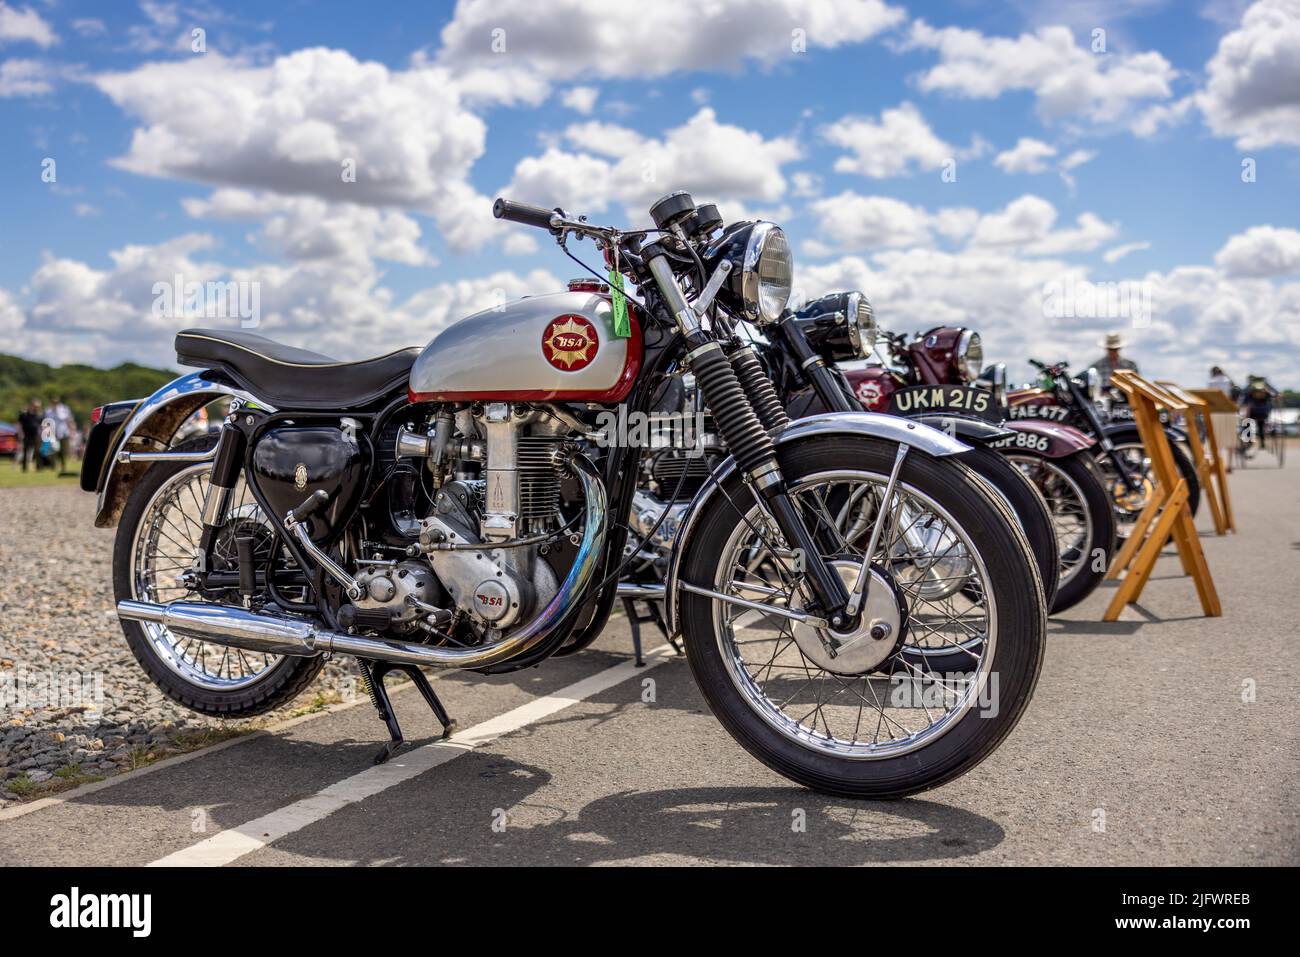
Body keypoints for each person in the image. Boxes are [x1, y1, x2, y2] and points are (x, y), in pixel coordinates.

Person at [1207, 367, 1238, 472]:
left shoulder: (1211, 382)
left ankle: (1217, 463)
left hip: (1216, 412)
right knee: (1230, 439)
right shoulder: (1229, 381)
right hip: (1229, 411)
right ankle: (1230, 464)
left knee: (1216, 439)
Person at [1239, 375, 1278, 457]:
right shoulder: (1267, 391)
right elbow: (1276, 395)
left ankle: (1249, 442)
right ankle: (1262, 442)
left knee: (1247, 423)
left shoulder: (1248, 392)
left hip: (1252, 413)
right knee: (1261, 424)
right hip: (1264, 413)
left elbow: (1243, 403)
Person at [50, 397, 74, 473]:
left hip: (63, 433)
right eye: (54, 402)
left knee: (63, 451)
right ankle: (53, 466)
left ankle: (63, 466)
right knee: (54, 450)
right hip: (53, 434)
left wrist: (72, 431)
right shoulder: (48, 411)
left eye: (56, 402)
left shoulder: (64, 409)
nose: (55, 404)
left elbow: (69, 421)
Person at [17, 400, 41, 472]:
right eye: (35, 406)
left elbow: (41, 425)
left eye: (38, 407)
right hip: (26, 435)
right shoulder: (23, 415)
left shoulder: (39, 415)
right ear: (31, 405)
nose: (36, 408)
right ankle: (24, 468)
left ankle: (39, 467)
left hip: (36, 435)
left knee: (38, 452)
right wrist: (20, 433)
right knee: (25, 451)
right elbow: (19, 425)